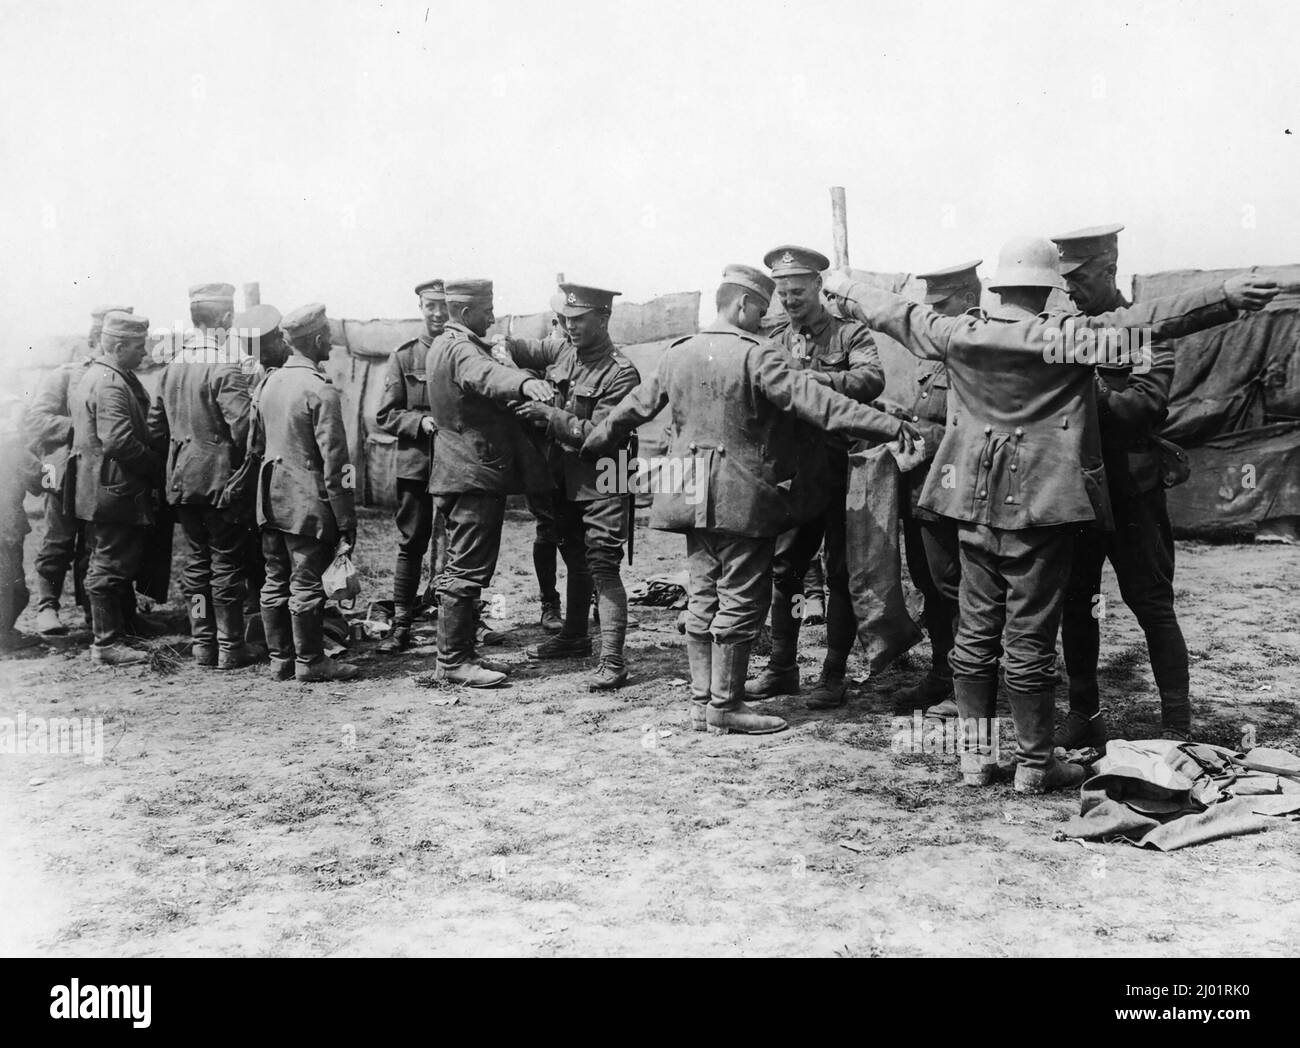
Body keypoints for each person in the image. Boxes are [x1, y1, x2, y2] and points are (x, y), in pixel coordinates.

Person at [824, 238, 1278, 793]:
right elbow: (1155, 320)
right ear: (1046, 291)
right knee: (1031, 638)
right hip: (1042, 507)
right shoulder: (1067, 340)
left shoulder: (958, 334)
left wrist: (845, 286)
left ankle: (975, 759)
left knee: (974, 632)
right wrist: (1227, 295)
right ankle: (1037, 764)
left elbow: (898, 313)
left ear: (998, 289)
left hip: (972, 505)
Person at [583, 265, 919, 734]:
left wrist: (594, 438)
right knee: (741, 598)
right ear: (743, 305)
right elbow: (821, 405)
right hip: (742, 497)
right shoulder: (758, 354)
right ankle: (725, 704)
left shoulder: (680, 351)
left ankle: (702, 702)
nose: (765, 318)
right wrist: (889, 426)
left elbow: (634, 408)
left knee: (702, 595)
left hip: (690, 492)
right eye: (762, 307)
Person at [1051, 225, 1199, 744]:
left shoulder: (1145, 331)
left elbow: (1142, 408)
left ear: (1108, 269)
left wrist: (1084, 380)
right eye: (1064, 278)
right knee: (1078, 602)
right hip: (1077, 494)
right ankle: (1084, 716)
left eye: (1080, 277)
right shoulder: (1061, 330)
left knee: (1151, 603)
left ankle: (1176, 724)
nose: (1069, 289)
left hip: (1132, 491)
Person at [745, 245, 886, 711]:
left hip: (846, 467)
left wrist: (815, 381)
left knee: (842, 572)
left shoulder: (850, 334)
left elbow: (870, 380)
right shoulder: (774, 341)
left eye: (798, 290)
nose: (789, 300)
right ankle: (782, 666)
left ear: (818, 287)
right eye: (782, 293)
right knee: (784, 568)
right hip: (795, 471)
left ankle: (833, 673)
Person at [504, 282, 641, 690]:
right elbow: (516, 348)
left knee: (602, 564)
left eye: (579, 320)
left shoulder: (622, 373)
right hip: (564, 475)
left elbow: (599, 433)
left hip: (606, 473)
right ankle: (575, 636)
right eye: (565, 319)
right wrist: (507, 356)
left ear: (603, 318)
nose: (570, 326)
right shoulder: (563, 348)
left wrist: (546, 413)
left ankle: (613, 660)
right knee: (574, 556)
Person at [423, 279, 555, 688]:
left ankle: (458, 655)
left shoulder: (445, 344)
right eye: (486, 310)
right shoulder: (461, 349)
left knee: (460, 564)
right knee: (467, 568)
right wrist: (523, 383)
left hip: (457, 471)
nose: (492, 317)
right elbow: (484, 375)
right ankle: (454, 661)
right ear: (465, 314)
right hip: (472, 474)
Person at [889, 261, 983, 718]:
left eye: (943, 305)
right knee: (930, 585)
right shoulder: (935, 354)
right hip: (921, 491)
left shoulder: (981, 352)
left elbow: (975, 428)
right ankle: (942, 674)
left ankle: (969, 686)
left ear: (970, 297)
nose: (936, 315)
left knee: (956, 589)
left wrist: (923, 437)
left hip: (955, 493)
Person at [148, 283, 258, 669]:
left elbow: (155, 427)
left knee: (196, 565)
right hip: (219, 480)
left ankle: (202, 644)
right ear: (226, 319)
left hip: (181, 480)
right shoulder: (223, 366)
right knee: (227, 562)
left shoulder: (172, 367)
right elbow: (243, 427)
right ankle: (230, 647)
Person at [253, 304, 359, 682]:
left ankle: (281, 660)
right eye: (328, 334)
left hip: (269, 499)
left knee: (274, 577)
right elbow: (337, 465)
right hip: (306, 502)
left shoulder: (268, 383)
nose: (331, 339)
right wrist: (346, 520)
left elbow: (256, 444)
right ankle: (311, 661)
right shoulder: (320, 390)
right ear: (316, 339)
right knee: (306, 581)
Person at [23, 304, 131, 635]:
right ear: (96, 336)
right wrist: (81, 426)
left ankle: (94, 614)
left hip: (97, 475)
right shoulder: (65, 374)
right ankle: (47, 607)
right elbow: (36, 420)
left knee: (95, 546)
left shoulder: (116, 374)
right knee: (57, 540)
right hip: (63, 473)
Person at [70, 311, 161, 667]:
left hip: (100, 488)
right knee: (108, 565)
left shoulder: (99, 375)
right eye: (139, 346)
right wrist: (156, 465)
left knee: (111, 559)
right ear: (119, 345)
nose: (144, 353)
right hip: (114, 489)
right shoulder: (110, 382)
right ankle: (107, 643)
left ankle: (122, 626)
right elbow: (119, 441)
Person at [374, 278, 447, 654]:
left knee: (461, 542)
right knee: (412, 541)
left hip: (456, 462)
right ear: (420, 307)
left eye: (444, 305)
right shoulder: (404, 357)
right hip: (416, 462)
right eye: (430, 305)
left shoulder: (463, 351)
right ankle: (402, 625)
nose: (437, 313)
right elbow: (385, 415)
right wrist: (420, 423)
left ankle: (463, 622)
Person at [1, 396, 45, 652]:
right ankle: (3, 636)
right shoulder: (12, 444)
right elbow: (39, 477)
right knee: (12, 587)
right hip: (5, 528)